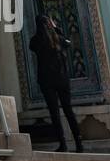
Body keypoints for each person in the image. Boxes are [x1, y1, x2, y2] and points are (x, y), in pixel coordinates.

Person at [29, 13, 83, 153]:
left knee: (55, 113)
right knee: (68, 110)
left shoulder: (35, 41)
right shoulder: (59, 40)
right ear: (50, 24)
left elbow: (32, 46)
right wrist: (56, 28)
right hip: (62, 80)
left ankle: (63, 144)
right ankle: (79, 142)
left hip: (47, 81)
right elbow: (68, 42)